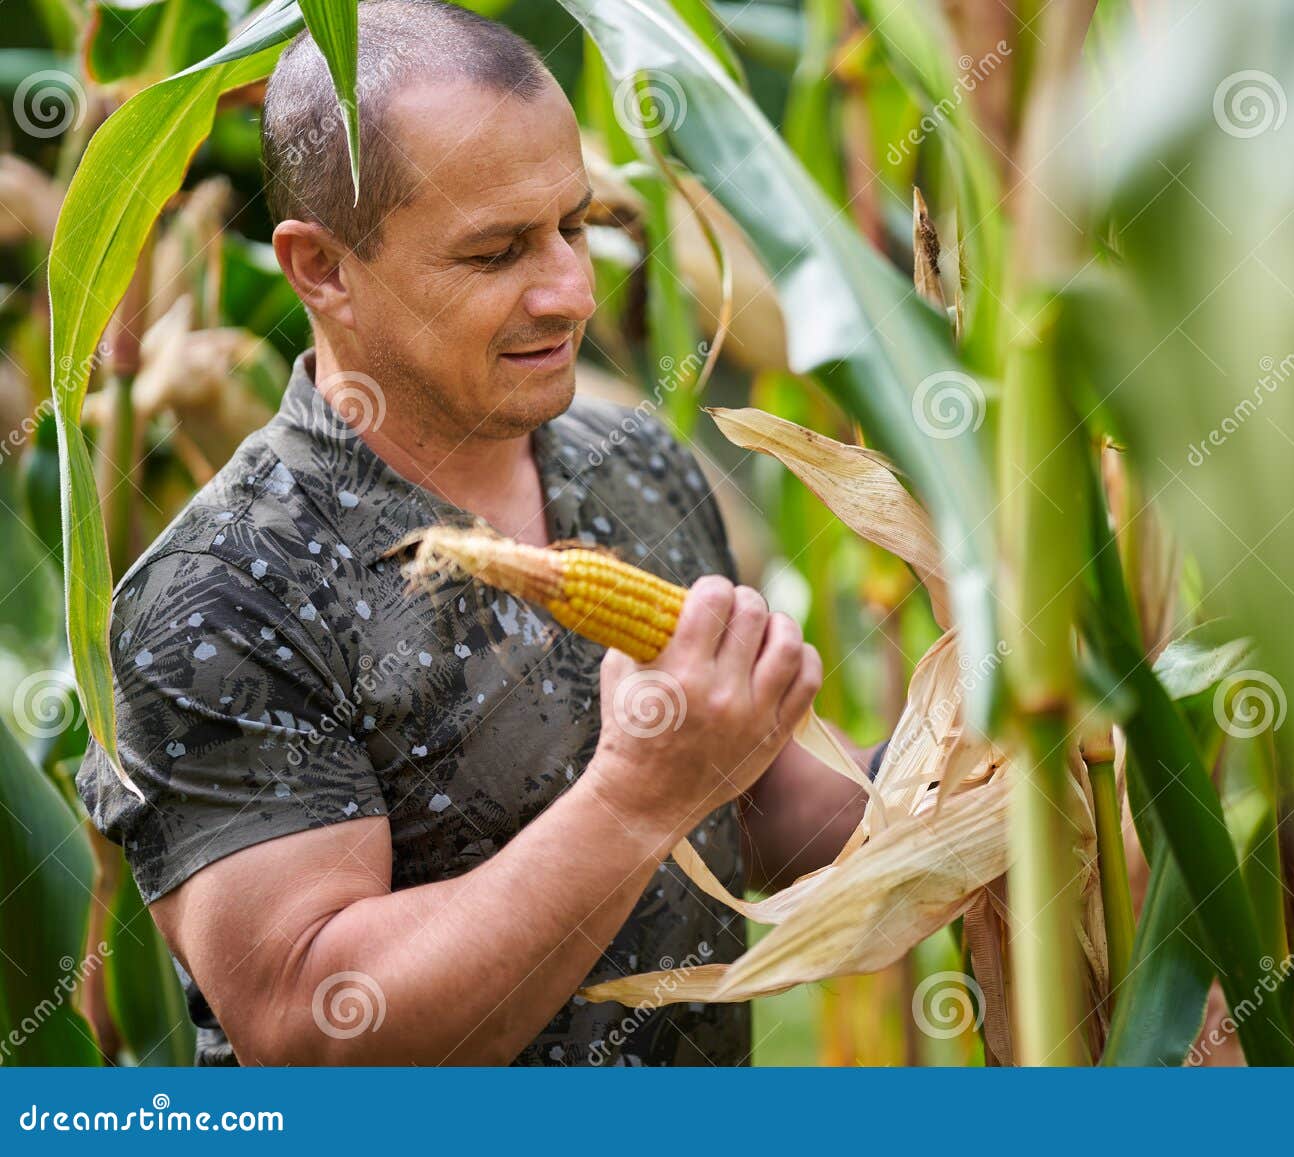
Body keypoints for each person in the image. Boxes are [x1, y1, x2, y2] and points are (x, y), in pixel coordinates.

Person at [77, 0, 875, 1067]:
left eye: (575, 225)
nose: (573, 290)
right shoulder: (218, 592)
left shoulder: (637, 465)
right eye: (498, 252)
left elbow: (757, 813)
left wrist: (982, 767)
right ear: (320, 267)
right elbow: (314, 1024)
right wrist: (637, 794)